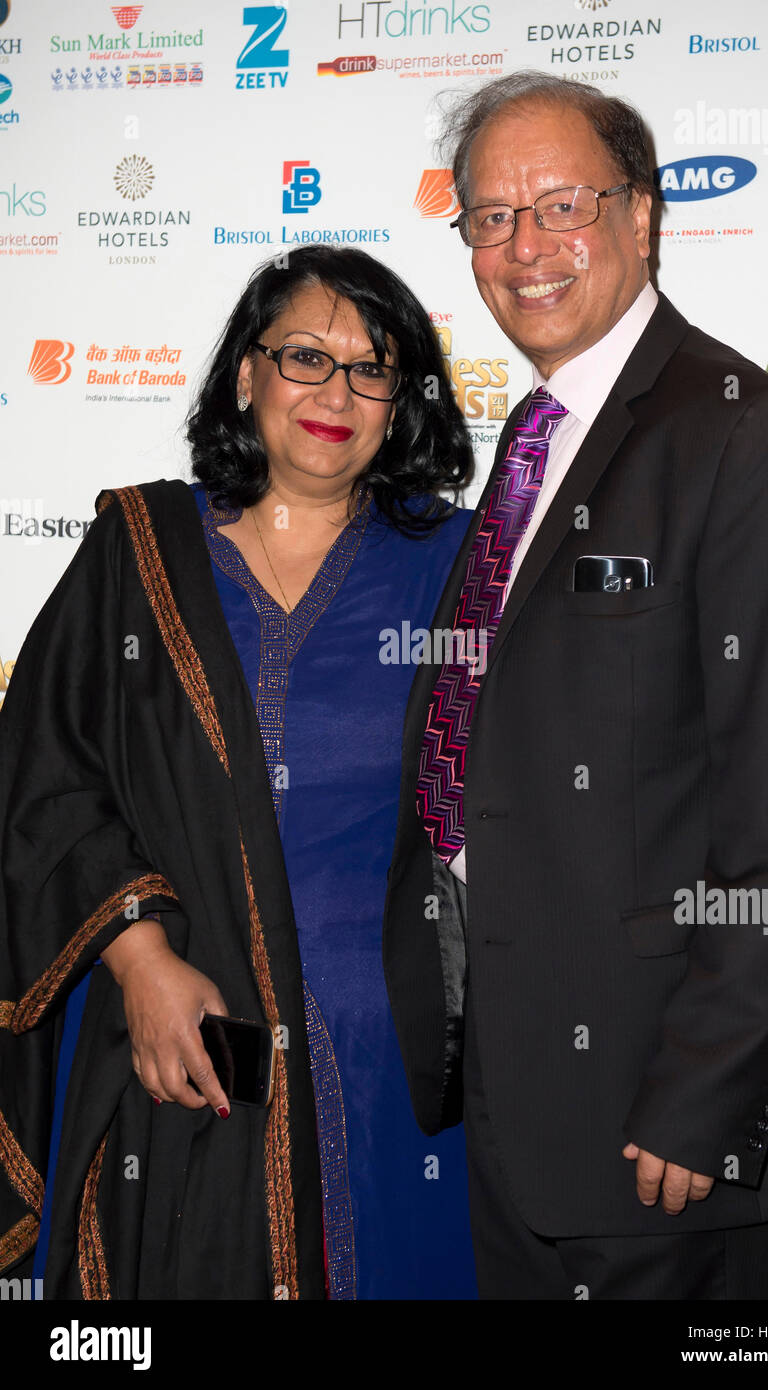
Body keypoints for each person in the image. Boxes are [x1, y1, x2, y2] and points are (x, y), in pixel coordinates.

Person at [383, 72, 768, 1300]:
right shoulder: (531, 446)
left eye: (559, 204)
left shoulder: (749, 435)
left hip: (662, 1127)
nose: (522, 246)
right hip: (514, 1094)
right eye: (489, 216)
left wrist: (703, 1095)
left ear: (641, 216)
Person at [0, 245, 478, 1299]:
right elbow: (42, 781)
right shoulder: (138, 553)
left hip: (385, 1055)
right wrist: (139, 962)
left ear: (399, 404)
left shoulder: (452, 566)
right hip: (173, 1040)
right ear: (244, 376)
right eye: (304, 355)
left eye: (372, 368)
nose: (335, 392)